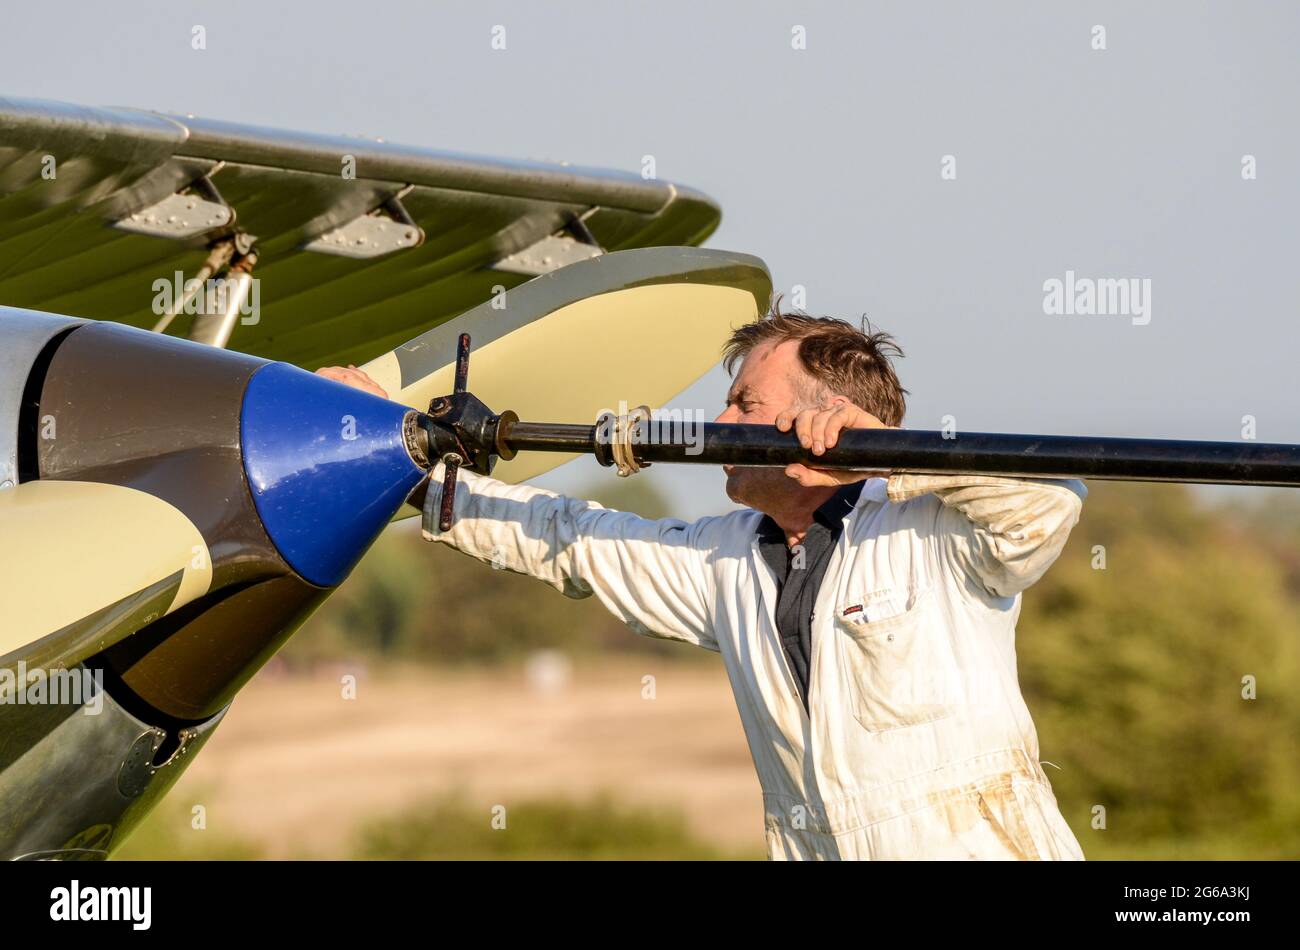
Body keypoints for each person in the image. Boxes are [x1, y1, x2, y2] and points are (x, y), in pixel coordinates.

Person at [316, 305, 1087, 860]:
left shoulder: (935, 530)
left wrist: (886, 450)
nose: (717, 420)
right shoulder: (725, 557)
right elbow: (572, 542)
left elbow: (1052, 502)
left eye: (744, 402)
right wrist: (402, 463)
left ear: (823, 422)